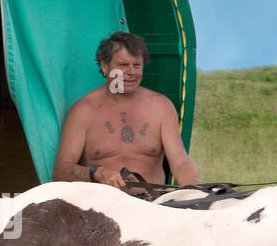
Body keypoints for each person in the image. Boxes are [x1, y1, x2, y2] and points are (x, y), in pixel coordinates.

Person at [51, 31, 199, 191]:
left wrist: (197, 193)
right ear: (104, 66)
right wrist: (97, 173)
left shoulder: (161, 106)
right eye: (122, 65)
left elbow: (180, 163)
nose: (131, 73)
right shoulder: (83, 110)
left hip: (153, 205)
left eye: (136, 65)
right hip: (101, 207)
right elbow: (60, 171)